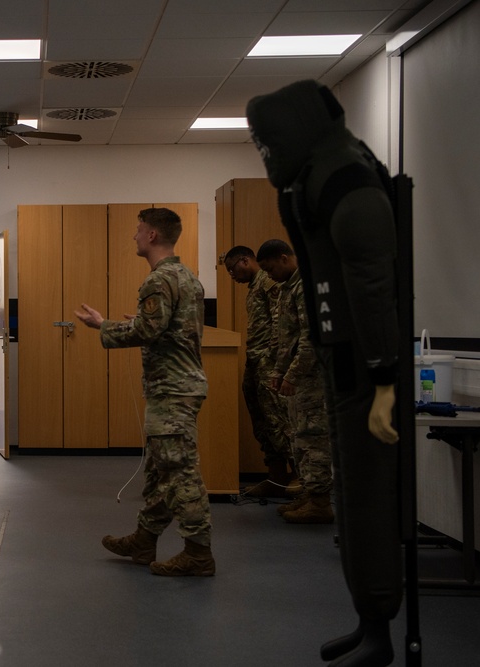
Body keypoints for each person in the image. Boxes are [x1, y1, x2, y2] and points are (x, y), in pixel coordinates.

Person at [248, 80, 401, 666]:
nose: (264, 153)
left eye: (266, 140)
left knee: (366, 499)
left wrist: (385, 377)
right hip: (344, 363)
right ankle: (368, 622)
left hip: (366, 370)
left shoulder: (346, 180)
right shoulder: (314, 179)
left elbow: (372, 282)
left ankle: (382, 631)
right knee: (352, 497)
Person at [75, 207, 215, 576]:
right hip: (181, 386)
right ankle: (144, 539)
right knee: (159, 471)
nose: (134, 236)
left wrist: (103, 326)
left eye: (138, 231)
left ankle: (198, 554)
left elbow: (150, 333)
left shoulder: (158, 280)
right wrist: (139, 322)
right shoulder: (187, 277)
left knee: (180, 472)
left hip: (172, 389)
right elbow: (172, 328)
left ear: (152, 236)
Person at [256, 240, 334, 524]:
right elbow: (285, 337)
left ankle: (320, 500)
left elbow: (311, 339)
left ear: (285, 258)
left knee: (312, 437)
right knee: (298, 437)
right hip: (297, 377)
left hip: (311, 378)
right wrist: (278, 372)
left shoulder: (307, 287)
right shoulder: (289, 287)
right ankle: (309, 493)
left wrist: (292, 375)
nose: (269, 274)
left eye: (270, 267)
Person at [223, 245, 296, 498]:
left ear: (245, 260)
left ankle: (301, 479)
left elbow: (281, 323)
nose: (233, 276)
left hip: (269, 361)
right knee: (262, 421)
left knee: (278, 420)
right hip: (256, 360)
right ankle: (276, 477)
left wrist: (277, 363)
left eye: (233, 270)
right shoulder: (254, 286)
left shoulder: (267, 282)